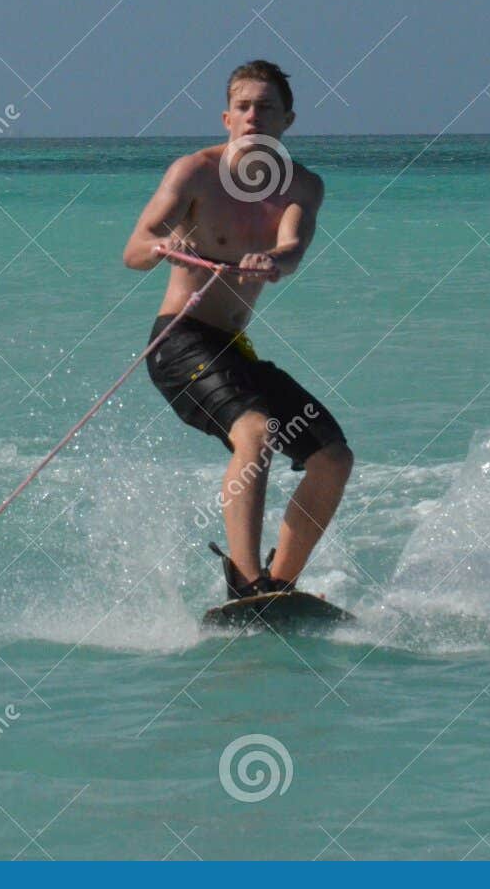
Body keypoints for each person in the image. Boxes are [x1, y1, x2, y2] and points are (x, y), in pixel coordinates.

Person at [123, 59, 353, 599]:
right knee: (255, 432)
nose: (253, 116)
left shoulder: (302, 187)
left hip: (232, 350)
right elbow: (133, 250)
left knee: (332, 457)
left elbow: (293, 247)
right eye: (243, 107)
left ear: (287, 121)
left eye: (266, 107)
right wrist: (160, 247)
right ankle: (246, 583)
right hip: (178, 341)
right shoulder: (194, 173)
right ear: (227, 118)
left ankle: (280, 585)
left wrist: (273, 259)